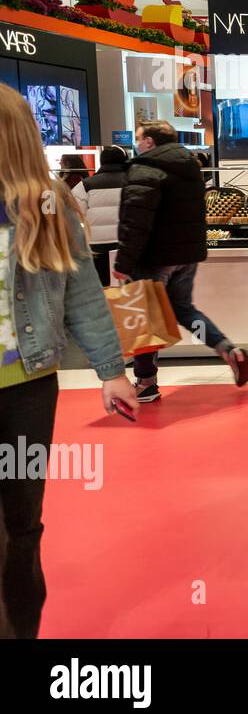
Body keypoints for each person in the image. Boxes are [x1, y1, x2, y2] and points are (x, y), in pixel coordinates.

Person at [0, 87, 139, 637]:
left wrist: (112, 371)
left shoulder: (45, 203)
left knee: (22, 524)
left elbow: (82, 291)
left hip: (27, 387)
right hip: (30, 388)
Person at [114, 120, 248, 402]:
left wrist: (123, 263)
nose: (137, 143)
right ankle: (226, 348)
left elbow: (135, 223)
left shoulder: (144, 169)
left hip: (154, 257)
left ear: (150, 141)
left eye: (139, 138)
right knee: (183, 309)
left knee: (145, 318)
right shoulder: (190, 168)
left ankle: (146, 383)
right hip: (186, 256)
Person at [71, 144, 128, 287]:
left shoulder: (85, 185)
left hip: (96, 245)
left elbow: (75, 214)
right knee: (126, 288)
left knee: (102, 286)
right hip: (126, 243)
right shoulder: (133, 181)